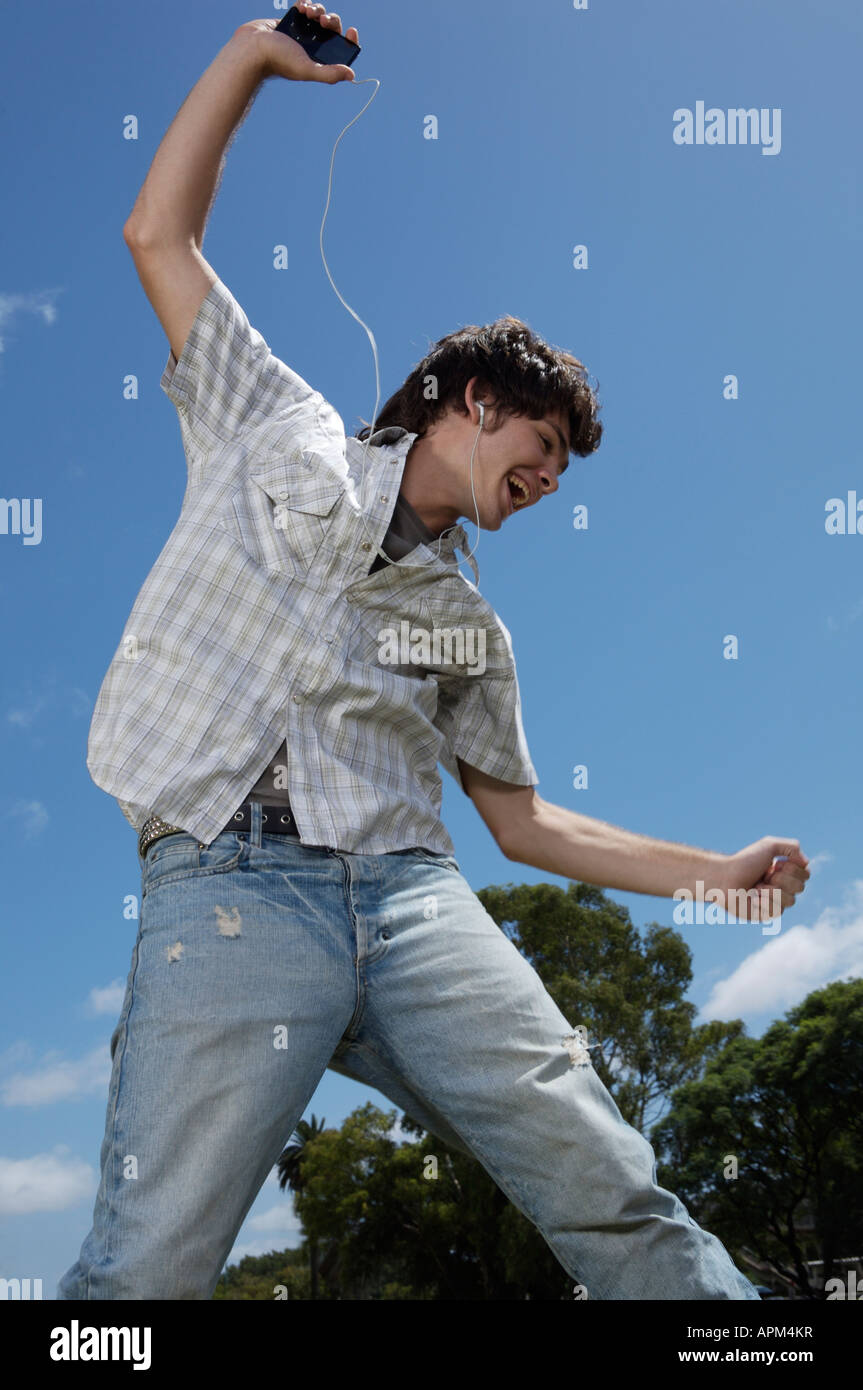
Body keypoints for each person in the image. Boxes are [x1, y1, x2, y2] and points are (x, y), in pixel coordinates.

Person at [58, 4, 809, 1300]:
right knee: (143, 1282)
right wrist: (249, 54)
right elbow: (158, 234)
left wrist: (718, 880)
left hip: (412, 906)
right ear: (476, 398)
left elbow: (522, 825)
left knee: (614, 1187)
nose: (547, 482)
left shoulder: (471, 622)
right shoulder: (270, 422)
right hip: (235, 891)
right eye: (543, 451)